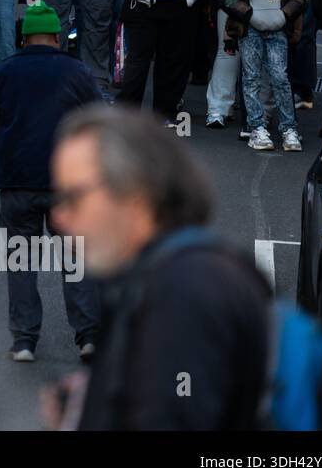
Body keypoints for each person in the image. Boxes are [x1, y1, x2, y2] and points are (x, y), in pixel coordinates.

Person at [45, 106, 270, 430]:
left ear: (134, 195)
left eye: (73, 196)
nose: (58, 216)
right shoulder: (171, 274)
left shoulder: (180, 294)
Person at [0, 1, 101, 363]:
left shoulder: (5, 70)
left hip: (17, 181)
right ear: (56, 35)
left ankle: (24, 342)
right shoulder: (76, 71)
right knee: (76, 259)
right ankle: (88, 337)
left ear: (23, 37)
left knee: (21, 262)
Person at [221, 0, 307, 152]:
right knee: (251, 78)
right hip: (250, 28)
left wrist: (284, 15)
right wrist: (249, 14)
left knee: (280, 77)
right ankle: (256, 126)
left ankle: (289, 128)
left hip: (278, 28)